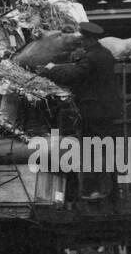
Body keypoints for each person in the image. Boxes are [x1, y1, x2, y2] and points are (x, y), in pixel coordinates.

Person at [42, 21, 120, 199]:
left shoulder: (91, 57)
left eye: (84, 39)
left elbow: (75, 74)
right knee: (104, 149)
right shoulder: (105, 53)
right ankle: (110, 190)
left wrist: (52, 69)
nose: (81, 42)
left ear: (90, 40)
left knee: (93, 150)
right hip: (106, 110)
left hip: (95, 111)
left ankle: (98, 190)